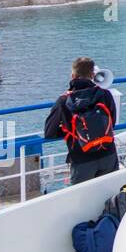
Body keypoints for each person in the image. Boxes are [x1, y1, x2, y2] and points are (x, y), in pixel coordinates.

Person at [43, 56, 119, 185]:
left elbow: (49, 132)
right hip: (108, 154)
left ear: (73, 75)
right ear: (93, 74)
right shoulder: (105, 94)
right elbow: (112, 122)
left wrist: (70, 131)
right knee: (110, 196)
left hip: (82, 160)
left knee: (81, 200)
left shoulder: (63, 101)